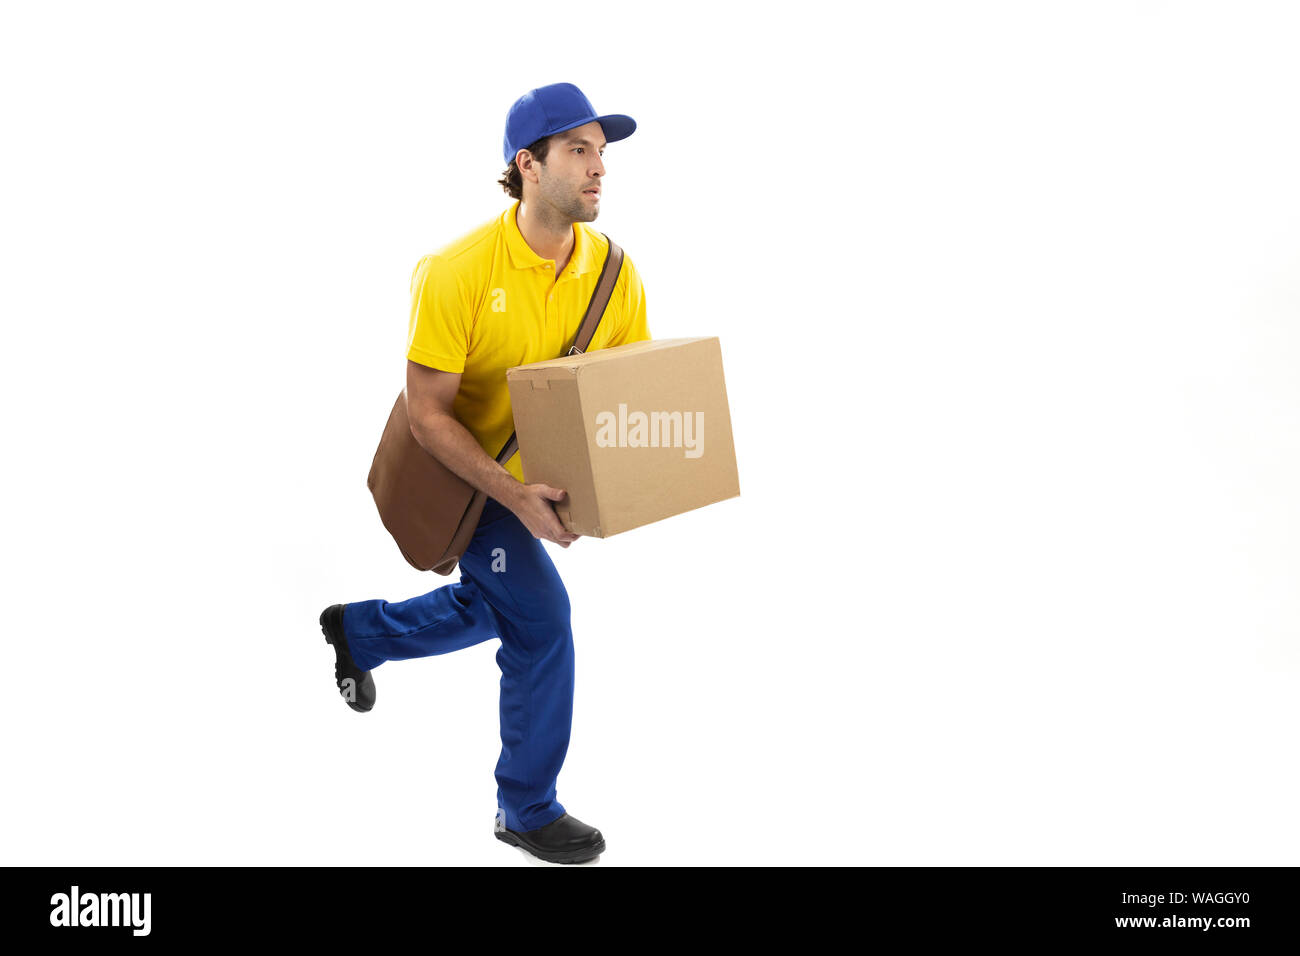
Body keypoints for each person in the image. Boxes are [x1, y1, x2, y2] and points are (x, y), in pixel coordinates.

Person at [317, 83, 649, 864]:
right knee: (542, 624)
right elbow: (428, 414)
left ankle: (358, 631)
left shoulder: (615, 272)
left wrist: (616, 490)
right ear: (527, 165)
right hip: (467, 479)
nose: (600, 168)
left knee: (498, 603)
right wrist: (519, 501)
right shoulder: (455, 271)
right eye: (579, 150)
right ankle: (524, 806)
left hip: (543, 478)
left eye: (603, 152)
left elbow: (626, 391)